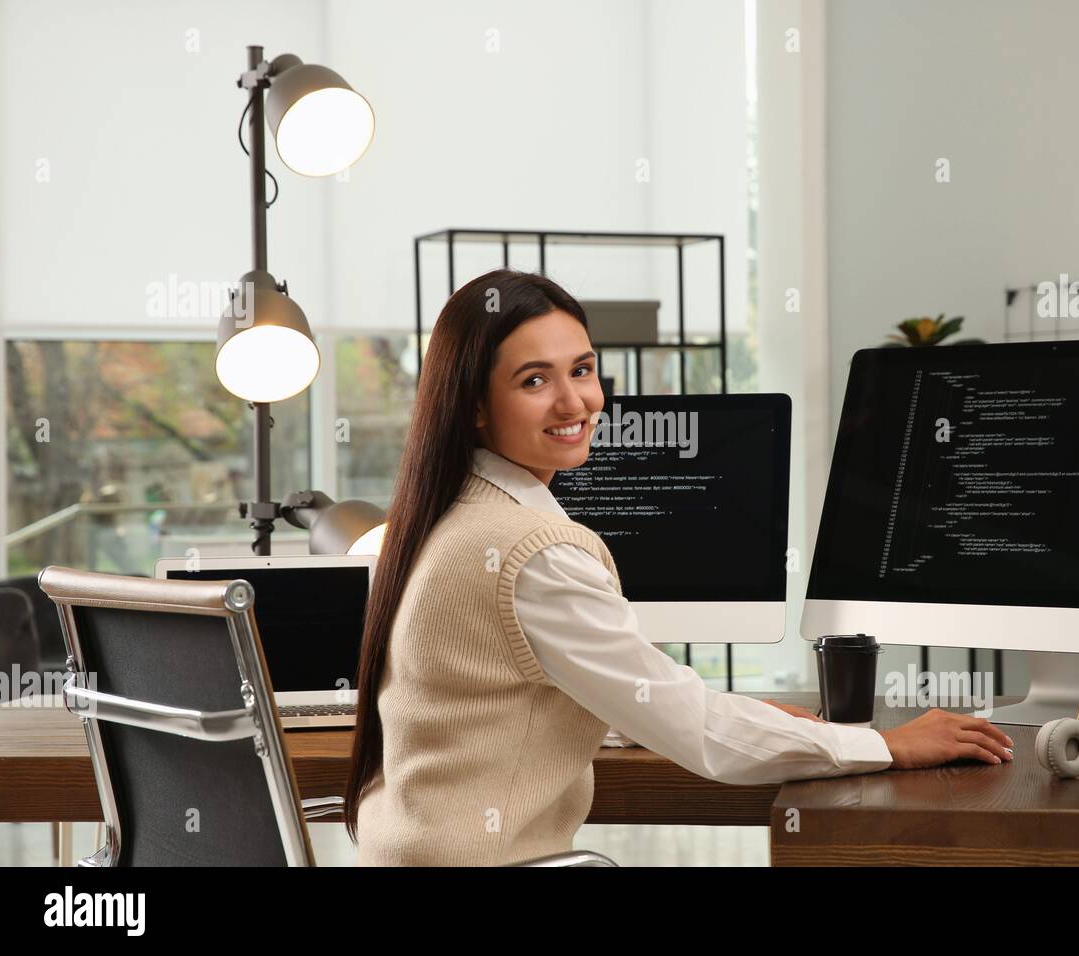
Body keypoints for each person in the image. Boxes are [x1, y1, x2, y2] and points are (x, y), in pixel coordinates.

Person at [347, 269, 1014, 866]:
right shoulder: (538, 551)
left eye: (582, 370)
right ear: (474, 406)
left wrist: (704, 710)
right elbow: (701, 738)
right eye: (533, 380)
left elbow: (511, 698)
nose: (576, 402)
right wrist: (886, 747)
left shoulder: (437, 516)